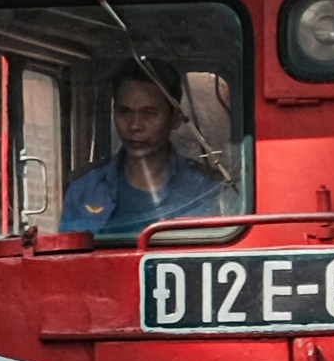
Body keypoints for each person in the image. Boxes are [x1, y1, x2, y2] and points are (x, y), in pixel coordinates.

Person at [56, 71, 238, 240]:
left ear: (174, 118)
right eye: (124, 112)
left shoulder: (205, 189)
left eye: (149, 113)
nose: (135, 125)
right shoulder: (84, 189)